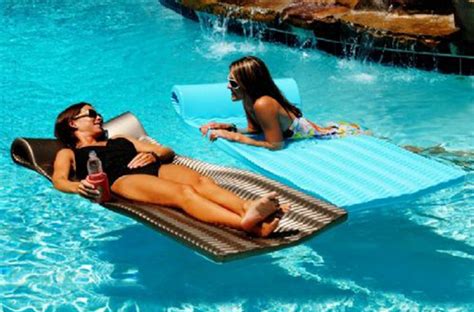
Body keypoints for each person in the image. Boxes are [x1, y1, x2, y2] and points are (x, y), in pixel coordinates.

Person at [52, 102, 284, 237]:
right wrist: (78, 187)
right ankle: (247, 226)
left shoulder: (120, 138)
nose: (99, 117)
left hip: (155, 166)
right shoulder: (69, 153)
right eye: (92, 114)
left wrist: (153, 154)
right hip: (121, 178)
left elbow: (166, 150)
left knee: (202, 182)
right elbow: (59, 180)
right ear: (73, 123)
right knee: (184, 193)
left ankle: (246, 208)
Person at [199, 56, 359, 150]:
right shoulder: (249, 99)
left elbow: (276, 145)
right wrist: (230, 128)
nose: (228, 86)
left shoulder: (263, 103)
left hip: (335, 136)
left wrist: (235, 137)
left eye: (233, 83)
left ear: (248, 85)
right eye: (229, 80)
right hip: (323, 131)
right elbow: (255, 130)